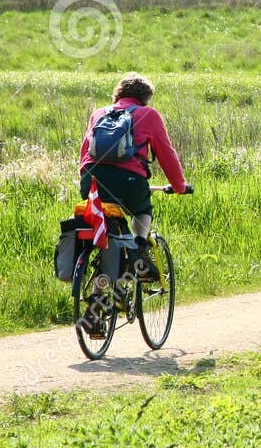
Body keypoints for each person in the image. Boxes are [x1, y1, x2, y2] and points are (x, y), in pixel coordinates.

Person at [78, 73, 190, 290]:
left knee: (106, 226)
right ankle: (139, 251)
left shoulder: (99, 113)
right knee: (141, 210)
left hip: (91, 181)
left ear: (117, 94)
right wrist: (179, 186)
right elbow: (166, 154)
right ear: (145, 97)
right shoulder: (148, 114)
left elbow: (84, 153)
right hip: (129, 182)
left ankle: (97, 298)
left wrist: (86, 182)